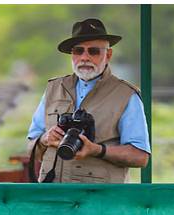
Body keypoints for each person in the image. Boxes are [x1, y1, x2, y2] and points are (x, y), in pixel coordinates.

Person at [26, 18, 150, 183]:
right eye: (78, 50)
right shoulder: (53, 88)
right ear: (72, 54)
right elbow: (30, 148)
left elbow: (140, 157)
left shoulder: (126, 94)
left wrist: (97, 150)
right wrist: (45, 139)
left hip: (100, 201)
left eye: (93, 51)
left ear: (108, 55)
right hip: (53, 198)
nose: (85, 57)